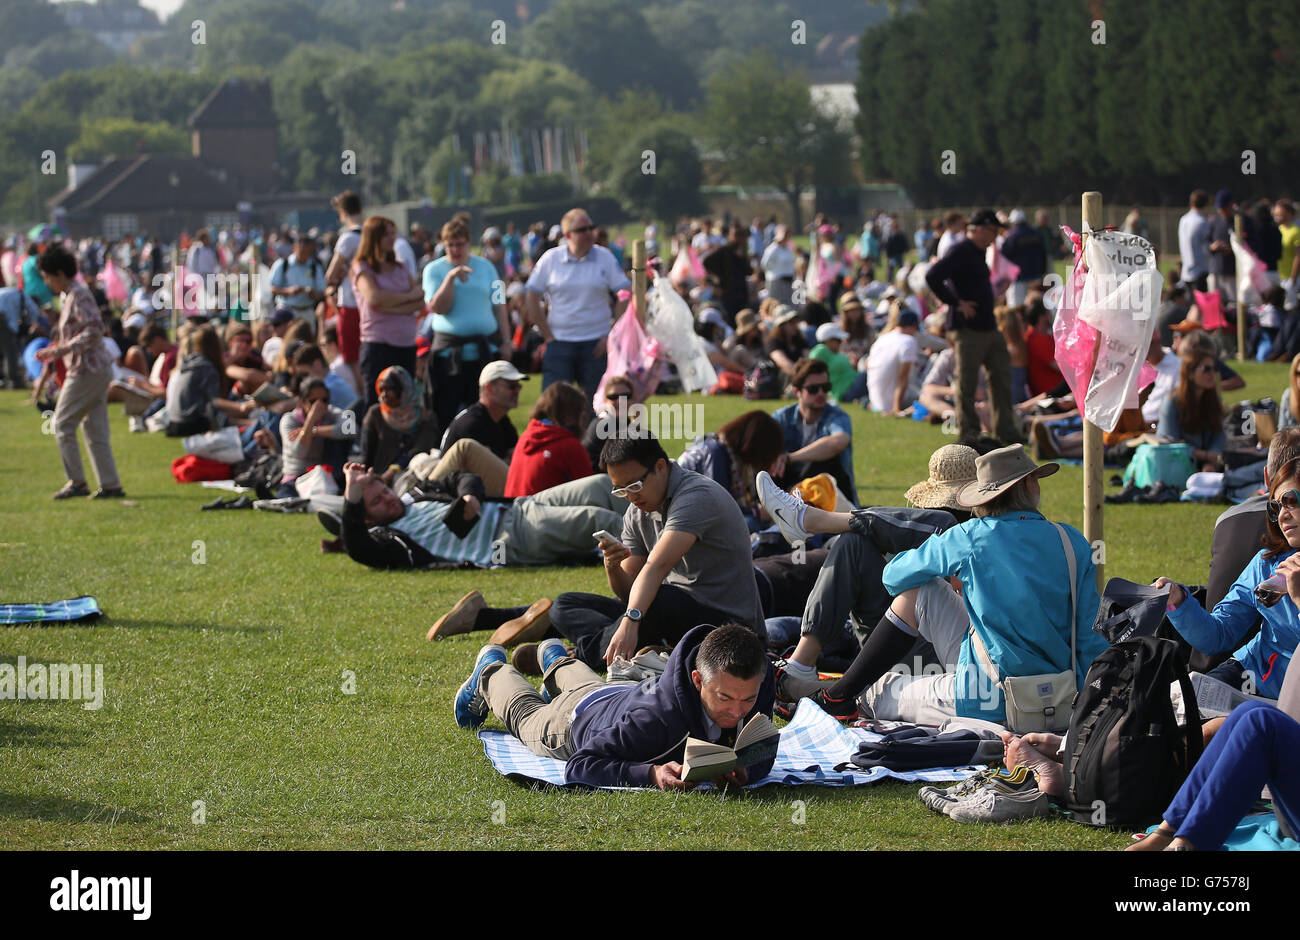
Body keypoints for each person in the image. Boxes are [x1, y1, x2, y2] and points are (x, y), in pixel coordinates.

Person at [763, 444, 1104, 725]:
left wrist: (938, 566)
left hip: (986, 700)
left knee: (878, 688)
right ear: (1031, 485)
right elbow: (1090, 636)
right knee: (926, 595)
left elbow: (893, 578)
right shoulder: (1071, 540)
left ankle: (836, 696)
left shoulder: (969, 537)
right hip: (1057, 700)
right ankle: (830, 690)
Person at [755, 444, 980, 709]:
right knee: (854, 544)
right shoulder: (949, 539)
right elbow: (894, 580)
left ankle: (813, 520)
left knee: (943, 526)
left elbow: (897, 579)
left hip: (954, 662)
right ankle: (801, 664)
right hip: (897, 645)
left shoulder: (983, 539)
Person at [531, 434, 767, 671]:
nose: (630, 496)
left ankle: (576, 657)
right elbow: (628, 591)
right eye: (621, 490)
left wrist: (631, 620)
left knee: (656, 602)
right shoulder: (636, 512)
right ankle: (643, 647)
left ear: (660, 467)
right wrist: (612, 567)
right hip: (667, 614)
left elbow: (656, 566)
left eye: (634, 486)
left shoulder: (696, 496)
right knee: (564, 605)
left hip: (731, 629)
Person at [453, 623, 775, 790]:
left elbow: (762, 747)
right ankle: (491, 671)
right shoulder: (653, 720)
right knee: (526, 713)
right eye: (724, 698)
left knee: (588, 686)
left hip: (614, 693)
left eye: (747, 699)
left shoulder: (753, 685)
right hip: (573, 721)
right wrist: (651, 773)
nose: (737, 712)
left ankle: (555, 657)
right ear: (697, 680)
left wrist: (746, 770)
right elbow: (580, 765)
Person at [1154, 443, 1300, 701]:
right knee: (1171, 709)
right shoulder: (1266, 564)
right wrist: (1179, 602)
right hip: (1250, 674)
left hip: (1289, 694)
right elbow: (1218, 635)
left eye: (1290, 501)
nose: (1283, 516)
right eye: (1275, 507)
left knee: (1217, 725)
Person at [337, 460, 626, 570]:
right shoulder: (391, 541)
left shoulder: (414, 494)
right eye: (377, 502)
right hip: (509, 538)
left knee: (601, 485)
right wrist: (351, 494)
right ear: (367, 519)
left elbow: (462, 477)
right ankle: (648, 558)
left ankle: (649, 528)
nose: (388, 499)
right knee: (597, 521)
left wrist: (469, 496)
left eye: (384, 491)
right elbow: (359, 548)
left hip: (518, 506)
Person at [33, 244, 124, 500]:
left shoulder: (79, 294)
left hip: (88, 369)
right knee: (94, 429)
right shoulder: (71, 295)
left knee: (62, 423)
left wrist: (63, 349)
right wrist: (59, 350)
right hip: (94, 368)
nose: (46, 282)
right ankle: (110, 485)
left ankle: (77, 482)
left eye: (47, 276)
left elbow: (95, 329)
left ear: (60, 273)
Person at [925, 208, 1022, 445]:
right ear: (978, 229)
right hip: (967, 330)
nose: (995, 237)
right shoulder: (960, 249)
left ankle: (1005, 432)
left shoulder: (979, 251)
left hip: (988, 326)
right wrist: (956, 303)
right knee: (966, 383)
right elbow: (933, 276)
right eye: (993, 231)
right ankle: (970, 433)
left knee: (1001, 379)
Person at [525, 208, 630, 400]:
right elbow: (531, 295)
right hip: (559, 343)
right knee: (554, 406)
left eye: (591, 227)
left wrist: (611, 334)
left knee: (596, 407)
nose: (589, 233)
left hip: (596, 344)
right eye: (582, 230)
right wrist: (547, 335)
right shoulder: (551, 259)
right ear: (567, 235)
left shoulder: (605, 257)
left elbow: (625, 294)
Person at [421, 214, 513, 430]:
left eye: (460, 244)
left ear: (469, 243)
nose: (455, 250)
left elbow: (500, 305)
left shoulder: (488, 267)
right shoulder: (433, 270)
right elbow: (438, 307)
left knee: (487, 414)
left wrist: (507, 341)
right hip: (448, 354)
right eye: (450, 245)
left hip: (484, 351)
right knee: (445, 414)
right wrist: (451, 278)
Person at [352, 215, 424, 415]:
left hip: (405, 344)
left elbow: (420, 299)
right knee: (376, 405)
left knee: (405, 402)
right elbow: (374, 297)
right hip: (379, 345)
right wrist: (407, 299)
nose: (392, 238)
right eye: (386, 235)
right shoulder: (363, 267)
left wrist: (389, 306)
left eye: (393, 233)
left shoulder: (401, 267)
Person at [677, 409, 786, 527]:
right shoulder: (716, 455)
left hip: (701, 514)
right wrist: (756, 512)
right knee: (751, 524)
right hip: (688, 516)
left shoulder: (729, 456)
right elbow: (719, 507)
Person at [771, 358, 856, 501]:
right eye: (813, 389)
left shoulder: (837, 416)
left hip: (832, 499)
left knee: (826, 461)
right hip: (788, 490)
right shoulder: (783, 417)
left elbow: (839, 441)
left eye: (826, 387)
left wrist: (790, 458)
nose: (821, 393)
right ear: (797, 391)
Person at [504, 381, 593, 497]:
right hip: (542, 508)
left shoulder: (525, 437)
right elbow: (590, 492)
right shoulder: (570, 446)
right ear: (575, 414)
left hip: (510, 506)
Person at [278, 376, 357, 495]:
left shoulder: (331, 413)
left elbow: (351, 429)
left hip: (323, 476)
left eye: (324, 400)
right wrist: (311, 420)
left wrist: (315, 430)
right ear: (302, 402)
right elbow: (300, 452)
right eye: (313, 401)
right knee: (288, 495)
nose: (319, 405)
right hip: (297, 476)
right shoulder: (289, 420)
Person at [440, 359, 524, 464]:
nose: (517, 391)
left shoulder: (501, 419)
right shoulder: (471, 424)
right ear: (489, 388)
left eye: (518, 386)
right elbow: (489, 469)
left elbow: (518, 457)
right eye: (512, 387)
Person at [361, 365, 440, 475]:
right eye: (381, 390)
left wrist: (395, 469)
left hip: (413, 475)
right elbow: (367, 454)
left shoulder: (426, 417)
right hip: (379, 477)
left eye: (389, 389)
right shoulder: (375, 414)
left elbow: (421, 449)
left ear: (404, 389)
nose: (384, 395)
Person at [1157, 350, 1226, 470]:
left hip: (1208, 462)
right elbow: (1169, 443)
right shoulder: (1172, 401)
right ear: (1190, 373)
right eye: (1206, 369)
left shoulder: (1213, 400)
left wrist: (1211, 461)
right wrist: (1206, 455)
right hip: (1176, 464)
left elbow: (1219, 434)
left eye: (1214, 369)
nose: (1212, 373)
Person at [325, 191, 365, 393]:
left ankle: (361, 396)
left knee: (352, 358)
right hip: (372, 304)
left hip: (350, 304)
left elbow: (330, 275)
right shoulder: (373, 235)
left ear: (342, 212)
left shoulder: (347, 238)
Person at [269, 233, 327, 333]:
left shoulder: (315, 266)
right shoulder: (283, 264)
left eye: (309, 252)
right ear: (294, 248)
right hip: (286, 311)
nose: (305, 255)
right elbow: (272, 288)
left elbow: (322, 291)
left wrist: (314, 295)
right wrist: (288, 291)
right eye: (303, 251)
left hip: (307, 312)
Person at [866, 309, 920, 415]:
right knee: (927, 395)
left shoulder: (882, 338)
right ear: (914, 326)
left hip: (875, 401)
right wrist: (896, 408)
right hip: (892, 402)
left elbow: (868, 365)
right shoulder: (909, 341)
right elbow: (903, 377)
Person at [809, 322, 866, 403]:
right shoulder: (820, 351)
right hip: (844, 392)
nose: (841, 342)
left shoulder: (835, 353)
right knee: (867, 374)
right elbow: (813, 372)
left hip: (851, 387)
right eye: (838, 340)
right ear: (828, 340)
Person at [1000, 209, 1047, 307]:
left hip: (1018, 277)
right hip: (1035, 275)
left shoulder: (1012, 235)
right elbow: (1043, 253)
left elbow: (1004, 254)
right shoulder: (1036, 233)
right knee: (1035, 305)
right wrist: (1042, 271)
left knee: (1017, 305)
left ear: (1013, 222)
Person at [0, 285, 39, 389]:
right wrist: (33, 322)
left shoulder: (4, 291)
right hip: (2, 322)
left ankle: (2, 380)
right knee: (10, 352)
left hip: (3, 320)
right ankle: (15, 381)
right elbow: (34, 310)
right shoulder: (21, 294)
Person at [764, 306, 809, 381]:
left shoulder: (799, 340)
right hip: (782, 381)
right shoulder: (773, 342)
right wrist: (803, 376)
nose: (795, 324)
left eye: (796, 321)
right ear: (781, 325)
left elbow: (808, 358)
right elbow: (784, 364)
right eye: (791, 322)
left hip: (802, 377)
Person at [1178, 189, 1211, 292]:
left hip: (1186, 270)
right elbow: (1207, 246)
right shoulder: (1202, 222)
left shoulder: (1183, 220)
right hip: (1200, 271)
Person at [761, 225, 796, 306]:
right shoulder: (773, 249)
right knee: (777, 305)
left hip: (788, 282)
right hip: (776, 282)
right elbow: (764, 264)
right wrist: (774, 270)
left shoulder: (787, 248)